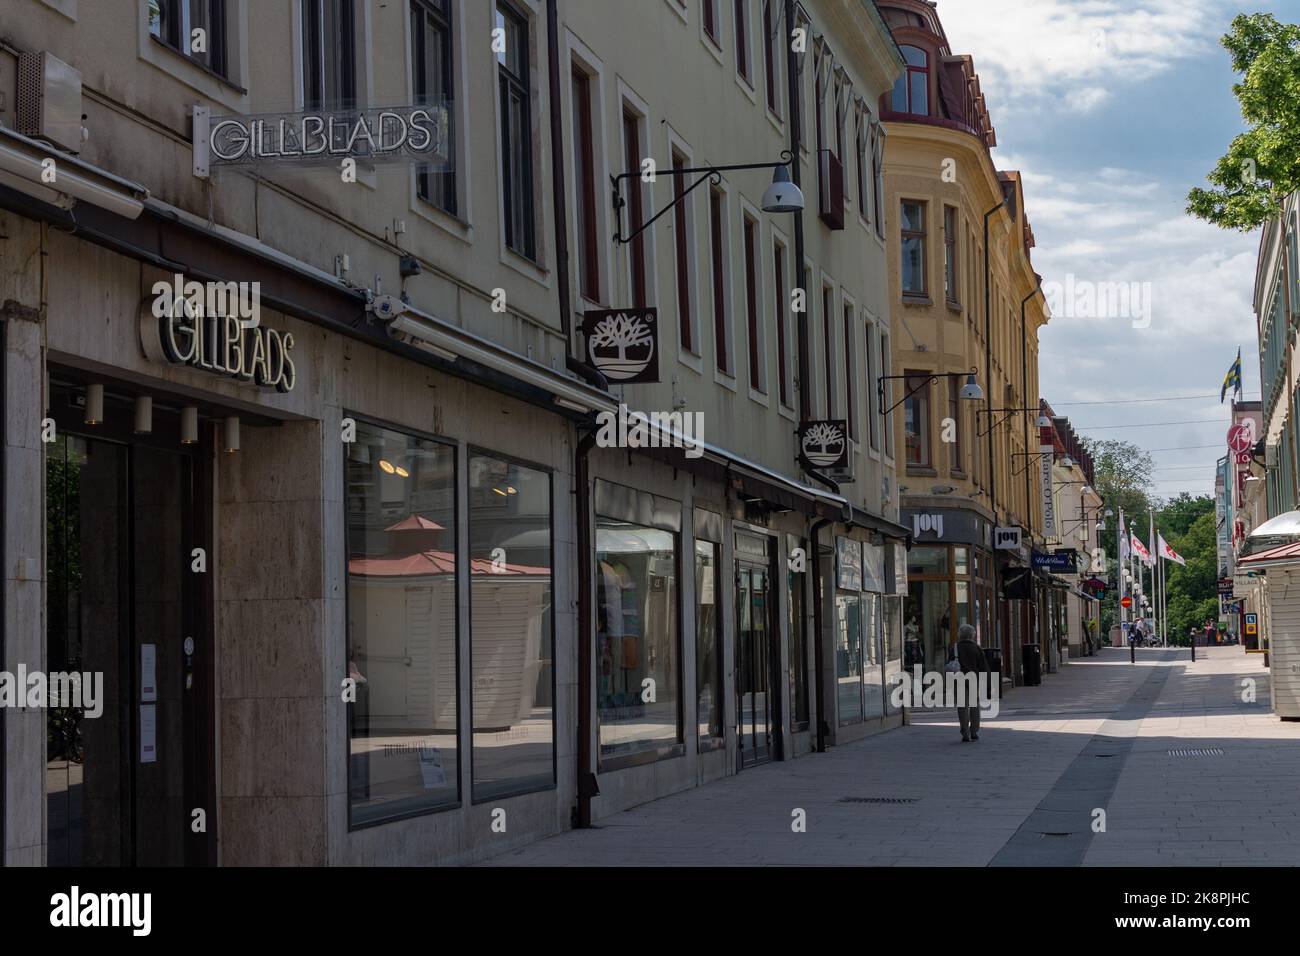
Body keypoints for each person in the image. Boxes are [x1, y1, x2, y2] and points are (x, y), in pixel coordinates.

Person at [953, 623, 988, 743]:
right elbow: (983, 666)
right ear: (972, 635)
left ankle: (965, 731)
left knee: (962, 706)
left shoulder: (955, 648)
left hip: (959, 679)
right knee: (974, 706)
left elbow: (950, 665)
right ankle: (974, 731)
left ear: (960, 634)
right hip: (974, 679)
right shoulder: (976, 648)